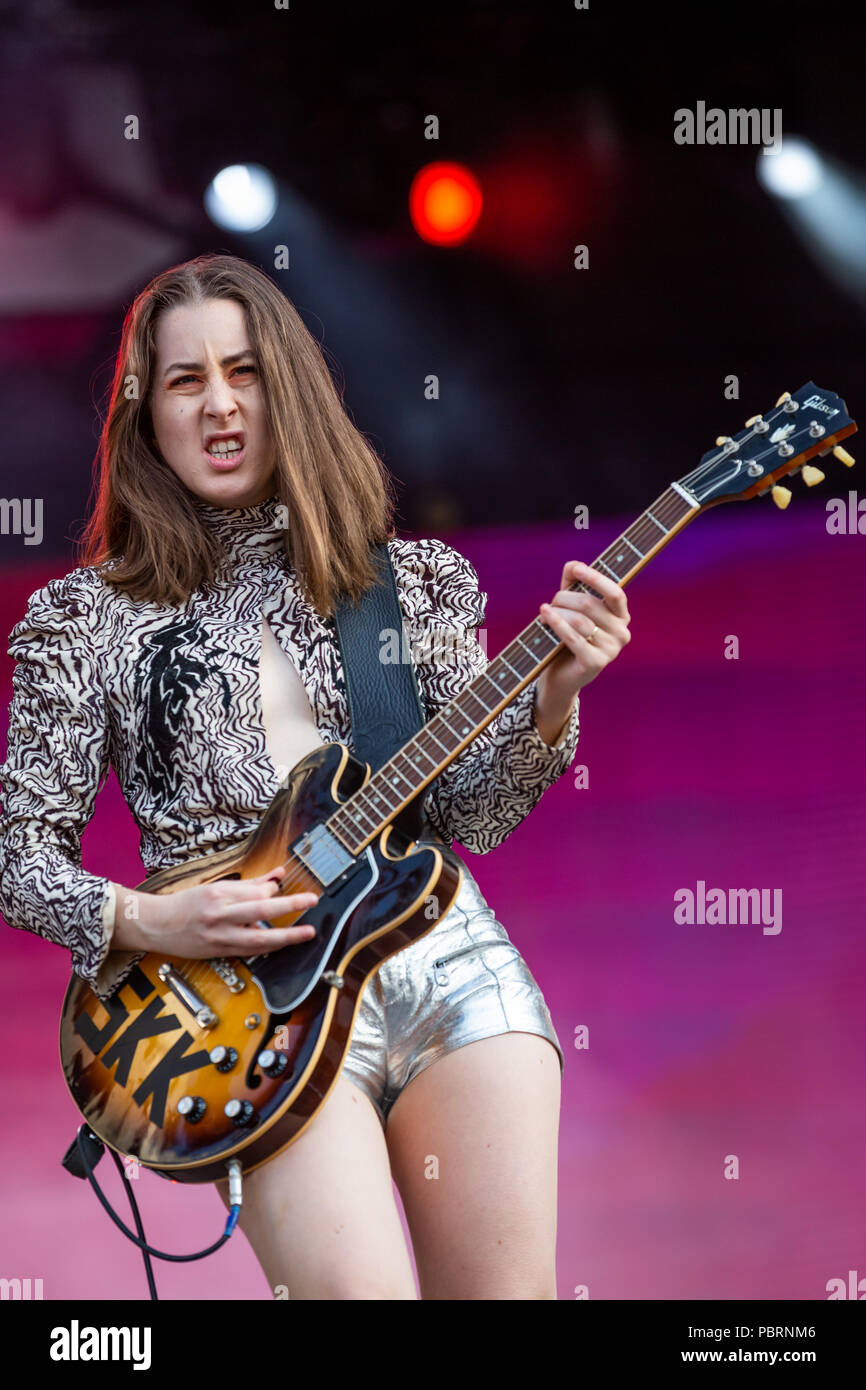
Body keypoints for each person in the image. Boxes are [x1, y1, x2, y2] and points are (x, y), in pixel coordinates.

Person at [0, 253, 631, 1300]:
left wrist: (554, 693)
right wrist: (155, 923)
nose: (219, 406)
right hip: (250, 1017)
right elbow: (15, 857)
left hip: (451, 973)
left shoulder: (409, 582)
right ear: (141, 407)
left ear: (285, 388)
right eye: (184, 379)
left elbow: (471, 812)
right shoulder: (85, 622)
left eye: (244, 373)